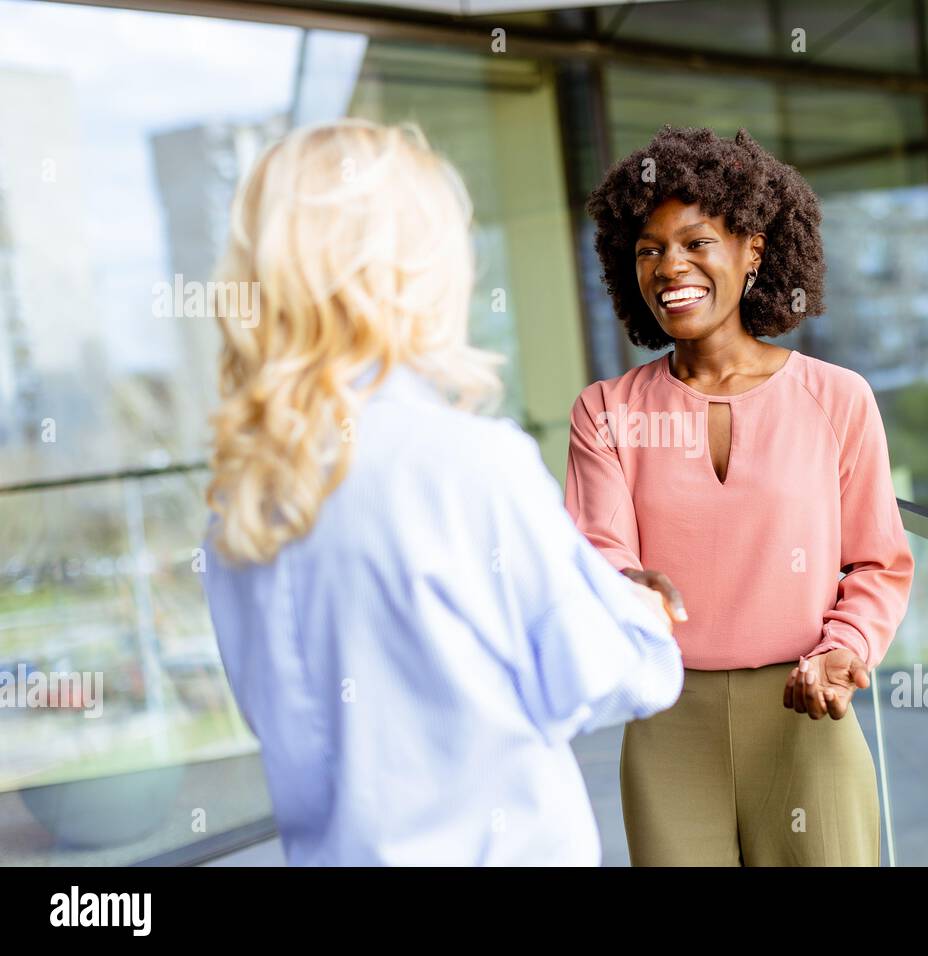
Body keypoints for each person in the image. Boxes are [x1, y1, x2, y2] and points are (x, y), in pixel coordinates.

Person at [200, 118, 684, 866]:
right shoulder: (467, 464)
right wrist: (644, 616)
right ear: (414, 273)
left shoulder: (243, 499)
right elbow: (596, 674)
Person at [567, 126, 914, 866]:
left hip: (806, 714)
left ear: (753, 250)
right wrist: (627, 587)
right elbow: (600, 556)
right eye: (650, 250)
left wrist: (843, 650)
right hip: (667, 721)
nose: (671, 268)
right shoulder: (604, 411)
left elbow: (879, 565)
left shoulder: (838, 399)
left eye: (697, 243)